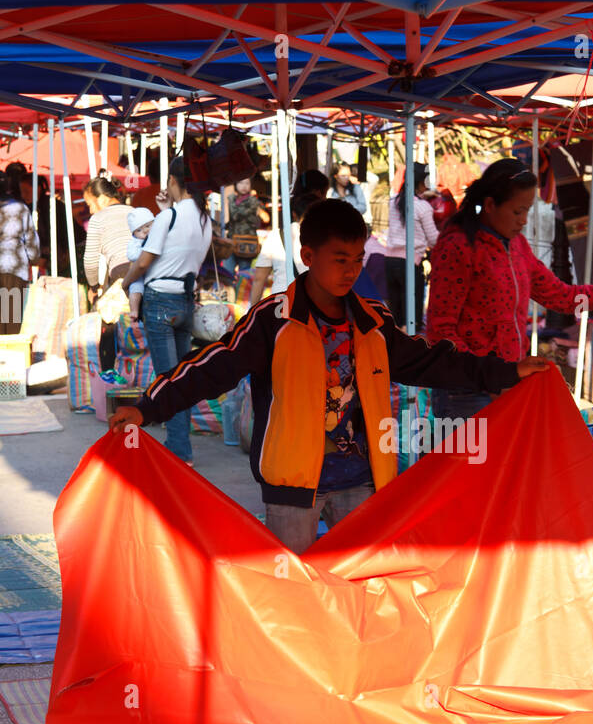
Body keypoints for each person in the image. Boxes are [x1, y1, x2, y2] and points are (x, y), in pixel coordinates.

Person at [109, 200, 548, 553]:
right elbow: (210, 369)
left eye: (358, 259)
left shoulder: (374, 321)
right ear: (307, 256)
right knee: (289, 597)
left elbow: (431, 361)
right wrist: (146, 408)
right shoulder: (272, 320)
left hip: (363, 480)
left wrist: (507, 372)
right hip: (292, 486)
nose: (352, 271)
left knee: (360, 588)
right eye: (340, 259)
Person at [426, 157, 593, 422]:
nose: (523, 221)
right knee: (468, 464)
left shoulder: (517, 246)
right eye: (517, 211)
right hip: (466, 393)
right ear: (489, 205)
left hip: (504, 384)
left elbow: (564, 298)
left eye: (527, 211)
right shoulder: (458, 247)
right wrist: (488, 378)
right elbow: (441, 330)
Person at [120, 156, 213, 464]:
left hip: (160, 300)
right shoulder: (203, 218)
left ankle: (179, 450)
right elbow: (182, 250)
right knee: (180, 378)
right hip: (186, 300)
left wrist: (127, 281)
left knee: (167, 380)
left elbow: (144, 261)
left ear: (173, 181)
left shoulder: (169, 217)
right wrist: (163, 213)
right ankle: (179, 445)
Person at [248, 169, 329, 306]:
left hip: (280, 306)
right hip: (315, 305)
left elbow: (259, 279)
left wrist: (251, 313)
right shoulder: (328, 236)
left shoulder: (276, 235)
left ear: (294, 214)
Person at [385, 162, 438, 329]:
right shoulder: (423, 207)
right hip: (409, 264)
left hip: (390, 262)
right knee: (411, 318)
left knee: (396, 316)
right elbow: (433, 240)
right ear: (422, 182)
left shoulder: (393, 201)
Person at [0, 169, 39, 333]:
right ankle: (11, 358)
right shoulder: (20, 208)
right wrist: (35, 258)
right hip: (15, 271)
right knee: (13, 320)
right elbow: (31, 242)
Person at [82, 175, 131, 294]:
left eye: (90, 205)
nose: (91, 211)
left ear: (102, 199)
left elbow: (90, 261)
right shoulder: (134, 211)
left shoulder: (97, 219)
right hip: (146, 271)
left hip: (121, 273)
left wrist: (93, 287)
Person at [125, 207, 154, 322]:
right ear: (134, 234)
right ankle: (134, 310)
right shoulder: (135, 242)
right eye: (139, 230)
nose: (145, 231)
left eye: (148, 226)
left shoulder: (158, 237)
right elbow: (131, 255)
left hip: (154, 272)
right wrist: (144, 252)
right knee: (135, 288)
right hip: (140, 274)